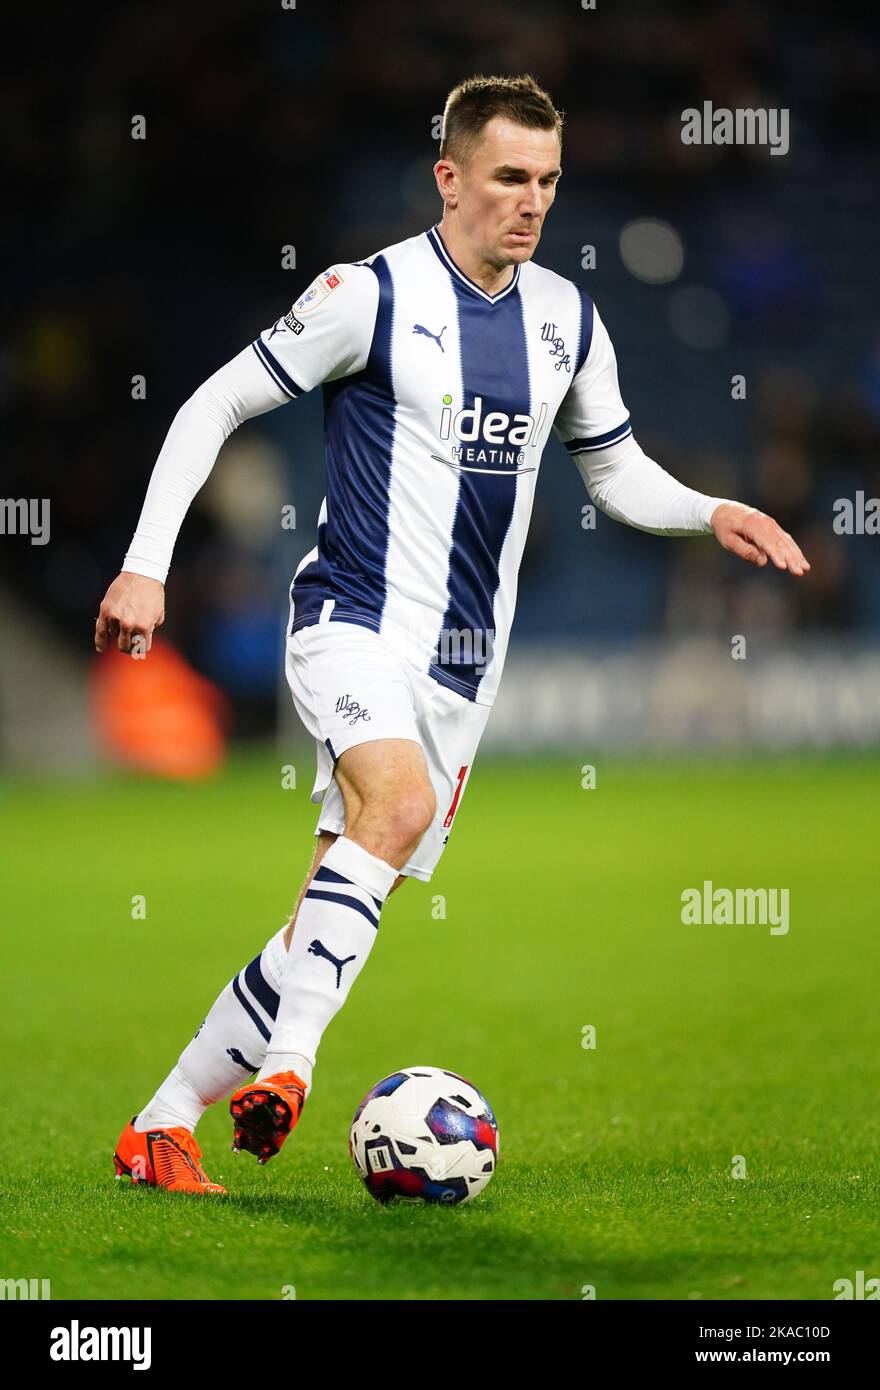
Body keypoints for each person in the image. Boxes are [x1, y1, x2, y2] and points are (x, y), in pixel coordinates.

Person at [98, 73, 810, 1194]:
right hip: (350, 619)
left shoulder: (568, 320)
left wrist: (709, 509)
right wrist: (146, 565)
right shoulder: (365, 295)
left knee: (329, 908)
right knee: (400, 806)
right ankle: (289, 1070)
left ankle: (163, 1122)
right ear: (449, 178)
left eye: (548, 182)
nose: (530, 203)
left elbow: (615, 473)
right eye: (508, 179)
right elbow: (212, 405)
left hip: (461, 670)